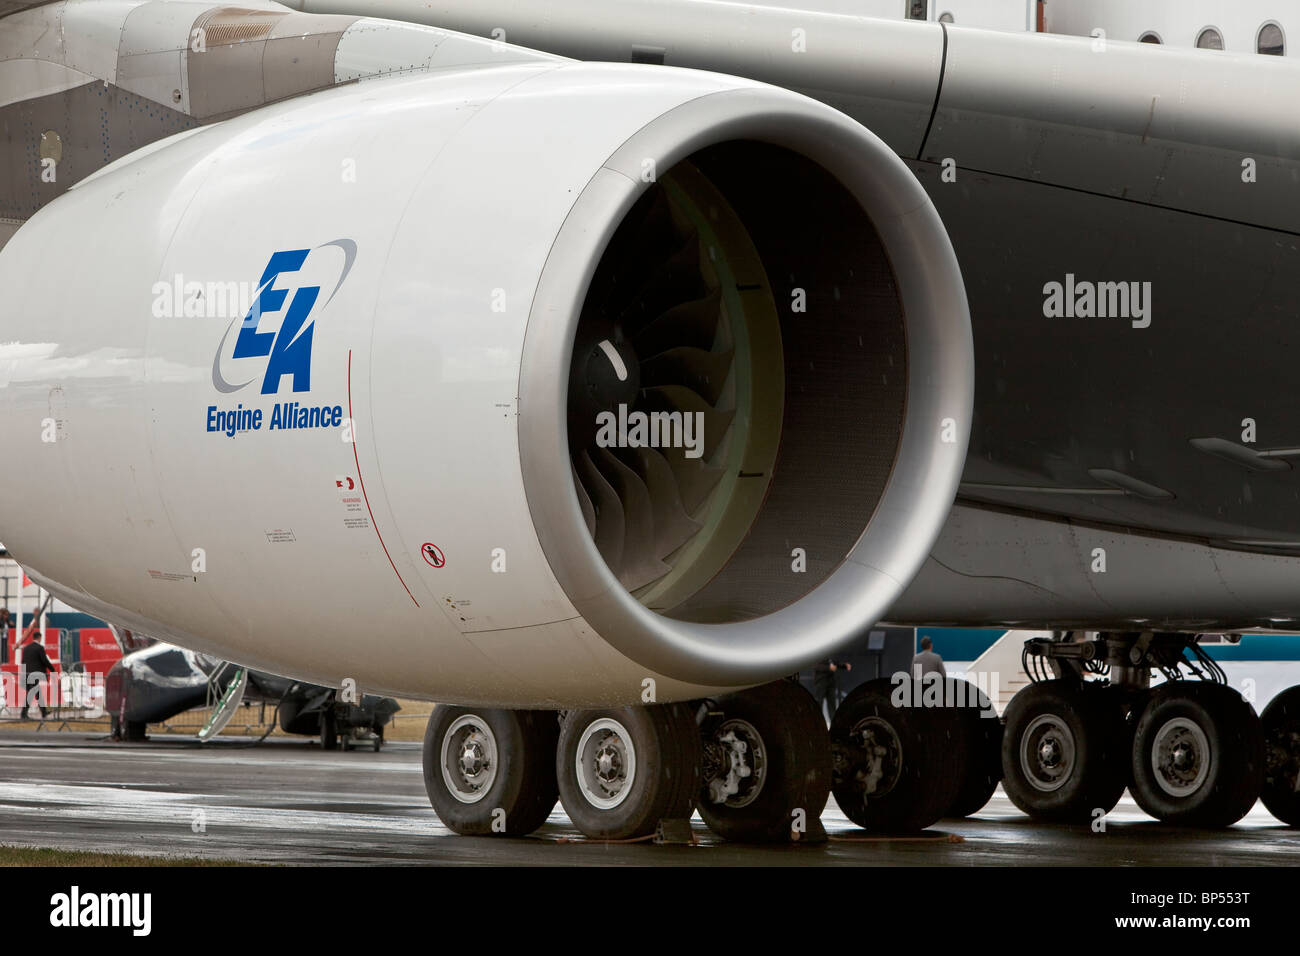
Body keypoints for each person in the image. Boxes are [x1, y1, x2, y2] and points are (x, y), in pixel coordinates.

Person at [20, 629, 56, 720]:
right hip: (35, 674)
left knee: (36, 693)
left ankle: (43, 712)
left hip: (27, 673)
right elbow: (44, 661)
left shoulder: (26, 648)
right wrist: (52, 670)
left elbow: (23, 661)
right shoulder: (39, 648)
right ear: (39, 638)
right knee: (32, 693)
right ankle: (23, 714)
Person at [812, 657, 852, 723]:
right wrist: (828, 668)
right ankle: (817, 722)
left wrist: (844, 665)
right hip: (821, 683)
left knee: (832, 704)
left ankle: (833, 723)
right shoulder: (817, 654)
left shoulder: (828, 655)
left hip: (830, 683)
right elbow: (816, 666)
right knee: (819, 704)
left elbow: (835, 662)